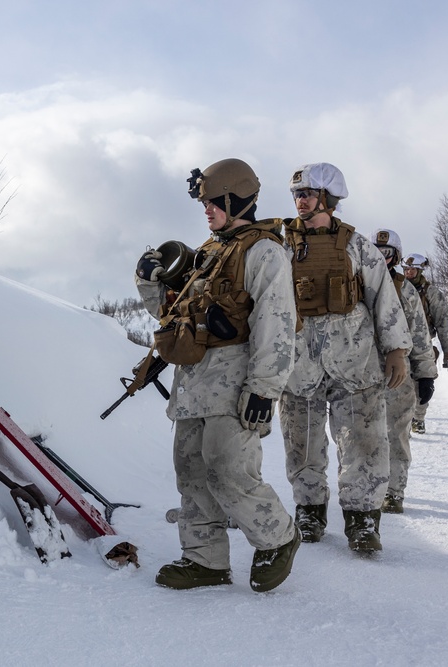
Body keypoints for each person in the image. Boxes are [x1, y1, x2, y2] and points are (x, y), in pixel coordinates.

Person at [136, 158, 300, 592]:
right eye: (204, 202)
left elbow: (277, 323)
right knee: (190, 470)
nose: (206, 210)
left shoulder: (264, 252)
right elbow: (172, 316)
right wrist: (150, 280)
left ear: (235, 198)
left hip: (236, 383)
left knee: (229, 468)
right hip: (194, 382)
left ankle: (278, 537)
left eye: (212, 202)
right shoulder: (209, 252)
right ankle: (205, 560)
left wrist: (264, 389)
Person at [279, 163, 411, 554]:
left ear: (329, 199)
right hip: (299, 362)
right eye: (296, 195)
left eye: (307, 193)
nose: (300, 201)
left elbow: (383, 299)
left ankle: (363, 520)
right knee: (300, 442)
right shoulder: (280, 246)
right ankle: (309, 511)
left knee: (365, 442)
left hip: (355, 361)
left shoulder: (358, 247)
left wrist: (397, 350)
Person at [372, 230, 437, 514]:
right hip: (359, 374)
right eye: (376, 252)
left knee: (396, 434)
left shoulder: (405, 290)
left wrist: (425, 374)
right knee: (359, 436)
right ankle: (364, 487)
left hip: (399, 375)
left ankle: (394, 492)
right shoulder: (356, 283)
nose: (381, 259)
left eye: (387, 253)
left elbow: (421, 335)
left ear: (396, 257)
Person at [403, 253, 448, 433]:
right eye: (406, 269)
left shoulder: (432, 293)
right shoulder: (396, 288)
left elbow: (443, 322)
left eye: (412, 270)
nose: (409, 272)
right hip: (399, 344)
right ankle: (402, 420)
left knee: (422, 385)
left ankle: (418, 419)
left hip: (424, 346)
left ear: (420, 271)